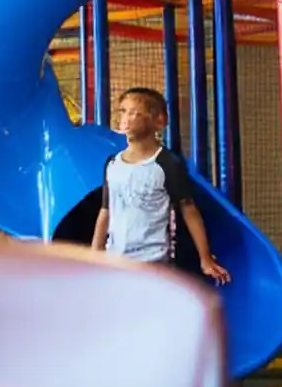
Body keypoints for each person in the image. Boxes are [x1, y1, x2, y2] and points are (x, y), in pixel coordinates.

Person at [91, 87, 230, 284]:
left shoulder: (167, 163)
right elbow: (106, 211)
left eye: (134, 113)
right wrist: (94, 255)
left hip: (154, 263)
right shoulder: (112, 163)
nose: (125, 118)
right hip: (117, 262)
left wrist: (205, 258)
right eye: (122, 111)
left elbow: (188, 210)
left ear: (159, 121)